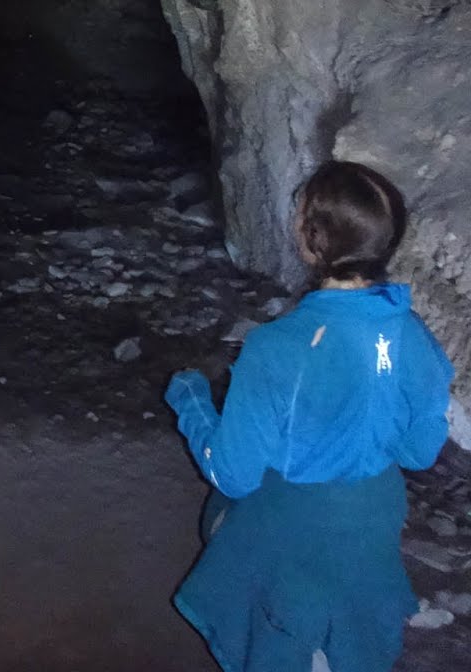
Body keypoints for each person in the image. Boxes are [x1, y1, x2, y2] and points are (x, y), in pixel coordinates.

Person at [165, 160, 456, 672]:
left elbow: (229, 471)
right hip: (373, 516)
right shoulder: (413, 333)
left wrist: (189, 400)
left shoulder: (277, 347)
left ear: (312, 238)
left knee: (230, 518)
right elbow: (420, 450)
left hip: (299, 524)